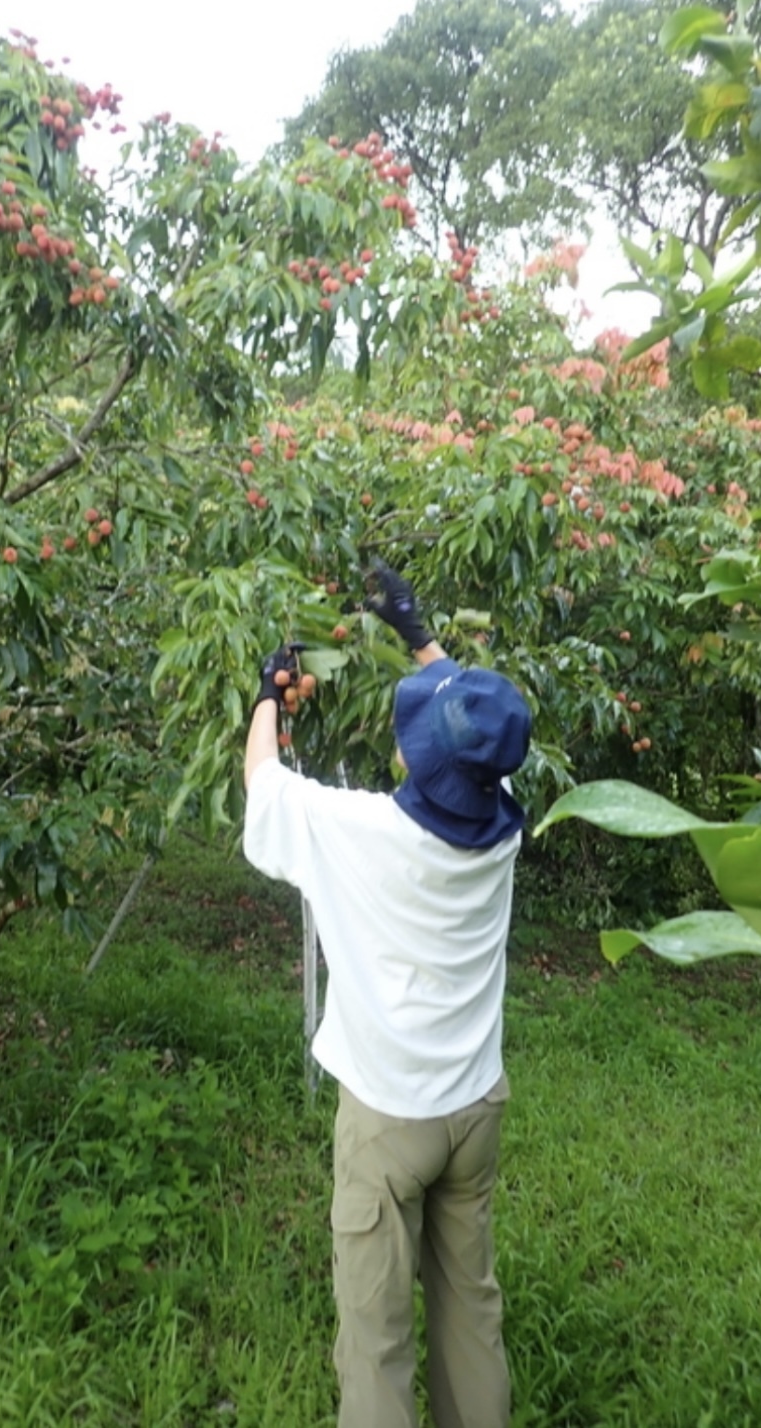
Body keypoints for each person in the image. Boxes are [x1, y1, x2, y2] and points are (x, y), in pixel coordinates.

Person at [243, 562, 532, 1428]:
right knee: (469, 1306)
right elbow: (467, 725)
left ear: (419, 759)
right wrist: (420, 634)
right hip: (474, 1108)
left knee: (374, 1338)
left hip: (389, 1121)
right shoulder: (501, 819)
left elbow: (263, 782)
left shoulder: (357, 832)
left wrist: (268, 699)